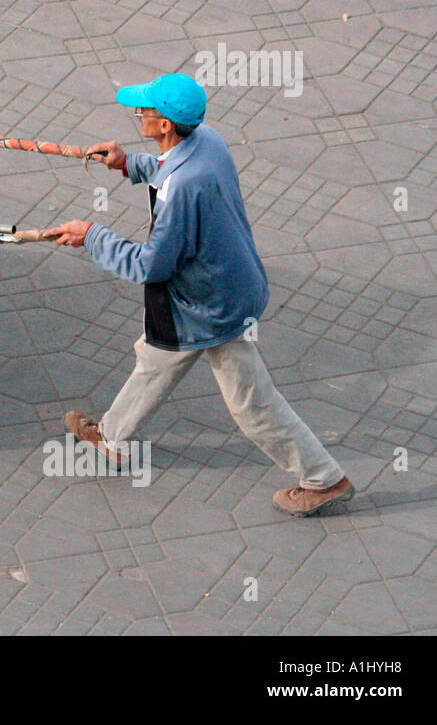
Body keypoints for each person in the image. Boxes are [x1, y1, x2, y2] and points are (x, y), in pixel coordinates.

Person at [44, 73, 353, 517]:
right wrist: (128, 162)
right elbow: (171, 168)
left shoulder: (181, 190)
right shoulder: (207, 140)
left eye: (145, 111)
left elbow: (151, 265)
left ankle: (325, 480)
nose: (140, 116)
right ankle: (112, 438)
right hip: (219, 289)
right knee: (155, 357)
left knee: (252, 405)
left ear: (165, 125)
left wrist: (92, 235)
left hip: (212, 307)